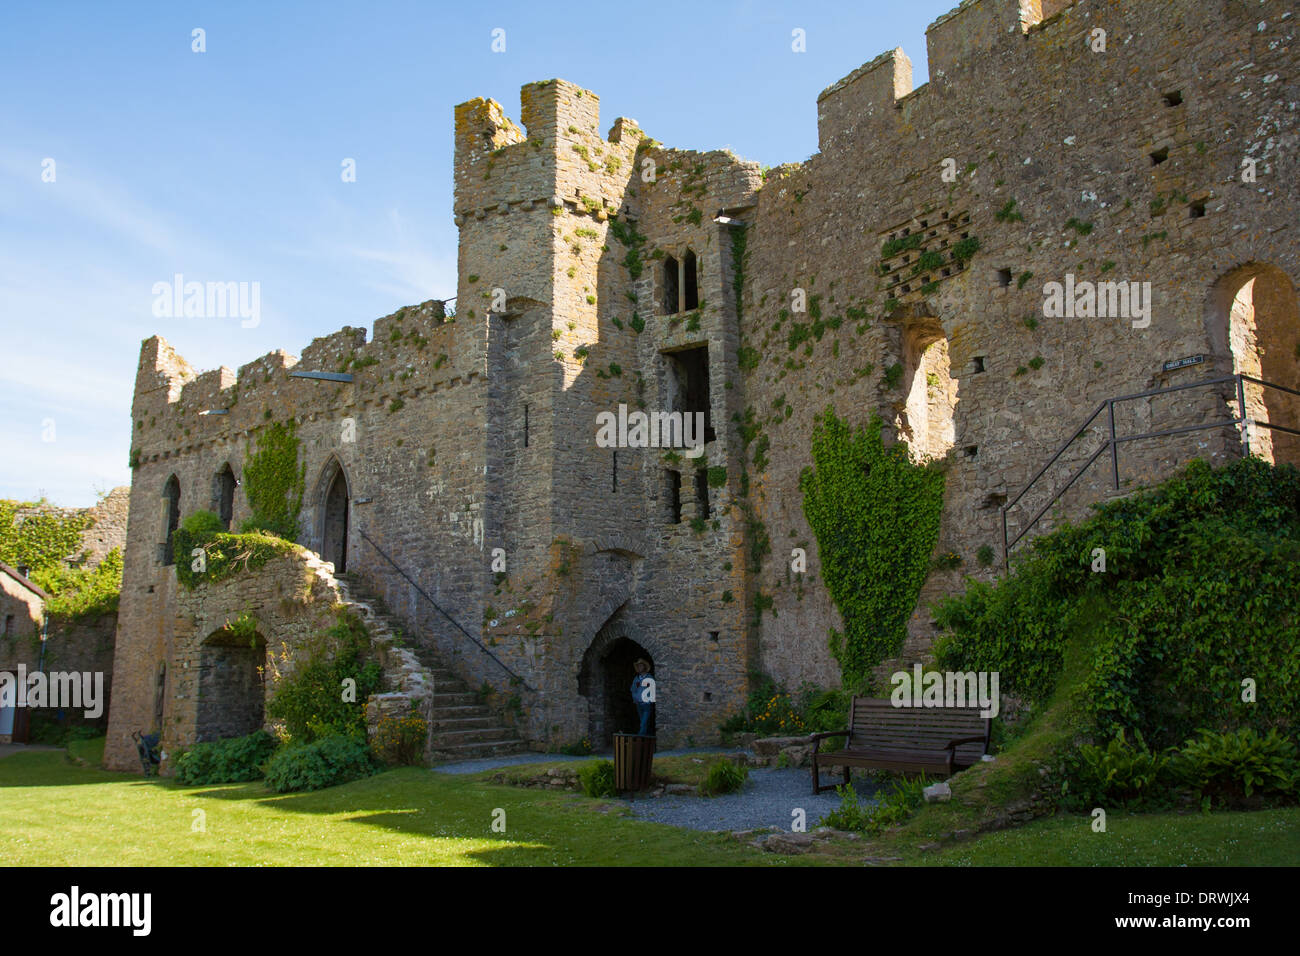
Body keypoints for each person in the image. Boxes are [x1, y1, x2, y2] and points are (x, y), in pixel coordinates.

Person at [630, 658, 655, 736]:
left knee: (643, 722)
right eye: (638, 666)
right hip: (639, 703)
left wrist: (650, 700)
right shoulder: (636, 679)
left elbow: (653, 689)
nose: (639, 667)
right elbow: (633, 690)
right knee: (643, 722)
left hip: (646, 703)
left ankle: (640, 737)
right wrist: (635, 699)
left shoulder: (650, 678)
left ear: (644, 667)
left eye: (641, 666)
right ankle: (647, 737)